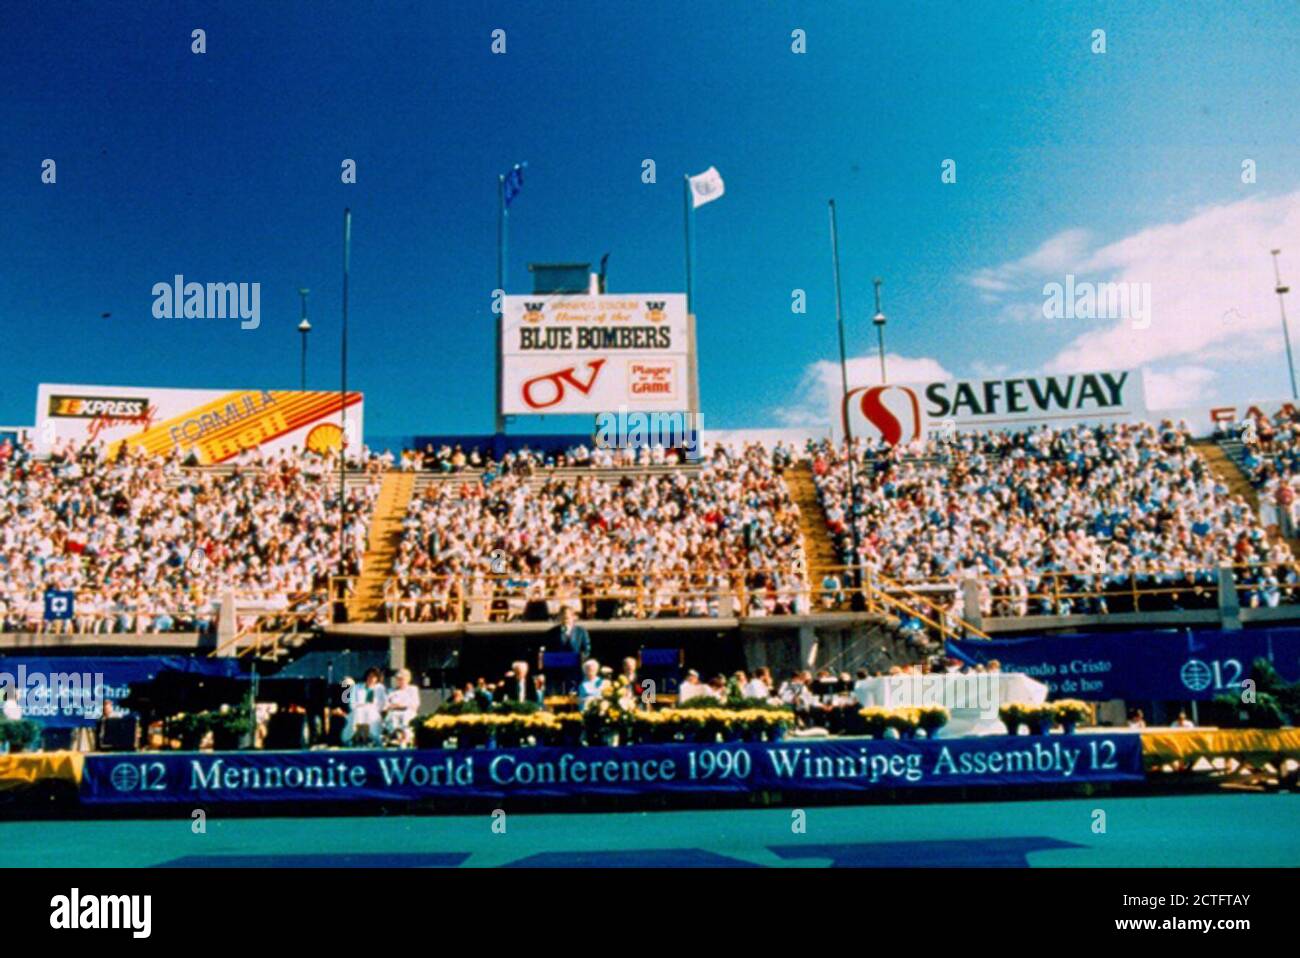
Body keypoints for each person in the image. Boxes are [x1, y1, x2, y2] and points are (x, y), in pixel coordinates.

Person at [343, 668, 387, 746]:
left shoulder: (380, 688)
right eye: (369, 676)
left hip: (373, 711)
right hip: (358, 710)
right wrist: (362, 706)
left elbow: (383, 704)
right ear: (366, 677)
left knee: (370, 714)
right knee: (358, 713)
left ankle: (372, 738)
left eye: (374, 677)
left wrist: (372, 707)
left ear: (377, 679)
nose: (371, 679)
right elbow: (352, 704)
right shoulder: (356, 687)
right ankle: (353, 738)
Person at [383, 669, 421, 746]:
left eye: (402, 679)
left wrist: (400, 705)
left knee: (405, 718)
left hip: (408, 711)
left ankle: (406, 740)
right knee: (392, 717)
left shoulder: (413, 689)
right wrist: (391, 706)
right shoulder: (391, 690)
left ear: (408, 679)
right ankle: (395, 739)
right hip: (394, 712)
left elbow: (415, 703)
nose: (399, 681)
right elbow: (386, 704)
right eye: (398, 679)